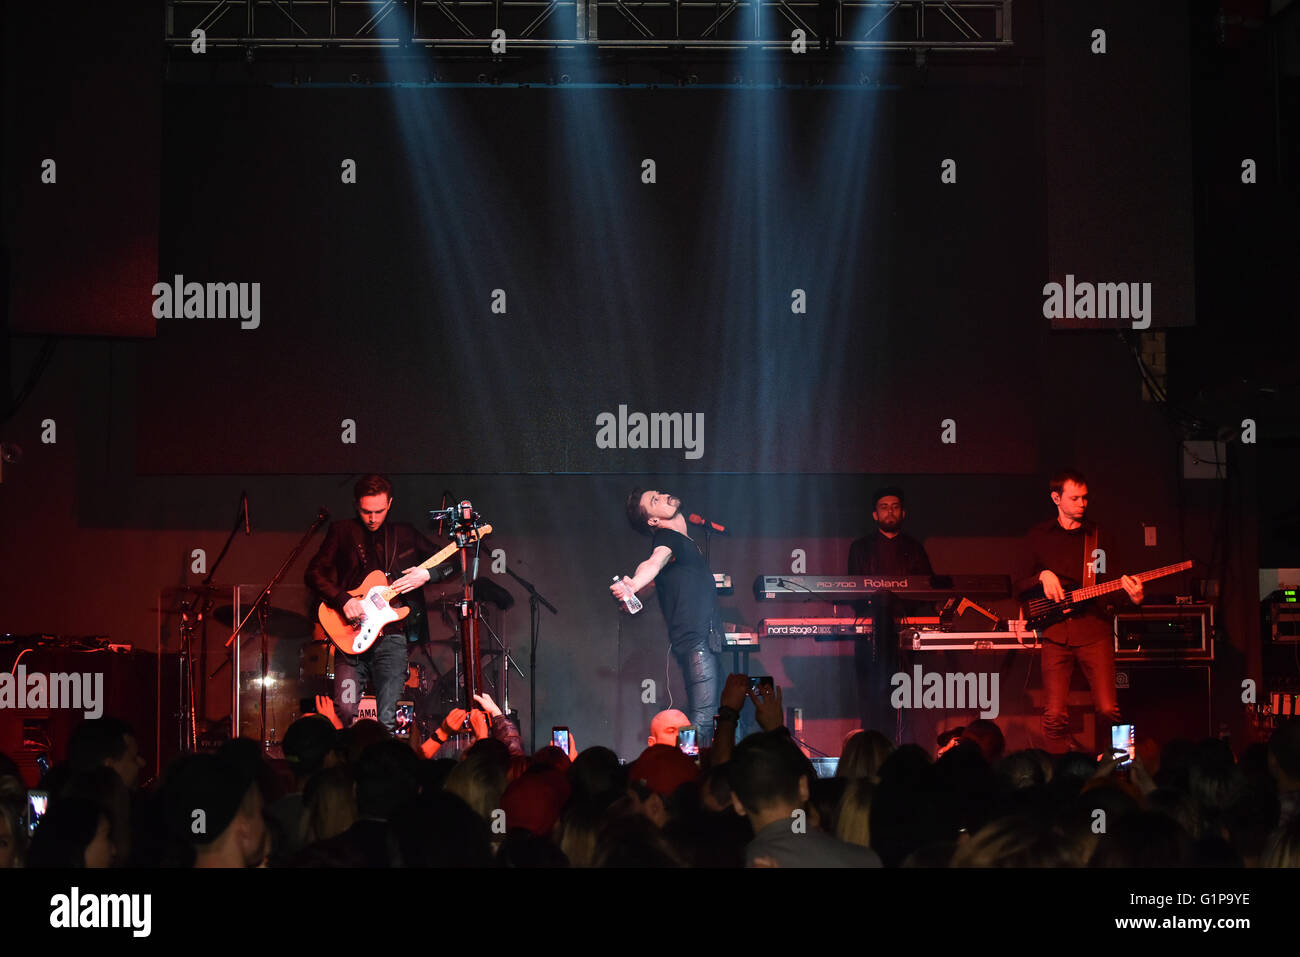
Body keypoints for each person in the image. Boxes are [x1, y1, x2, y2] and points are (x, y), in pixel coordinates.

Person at [306, 473, 456, 731]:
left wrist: (428, 574)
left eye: (378, 511)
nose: (372, 518)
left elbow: (452, 565)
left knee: (388, 716)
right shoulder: (342, 531)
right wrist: (343, 600)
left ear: (390, 504)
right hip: (349, 635)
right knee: (344, 709)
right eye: (366, 511)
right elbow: (314, 573)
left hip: (391, 637)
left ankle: (381, 768)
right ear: (356, 505)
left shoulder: (405, 534)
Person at [1015, 470, 1143, 753]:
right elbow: (1017, 584)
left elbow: (1114, 585)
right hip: (1055, 632)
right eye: (1075, 498)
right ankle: (1061, 774)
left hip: (1094, 630)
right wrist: (1042, 576)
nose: (1083, 503)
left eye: (1085, 498)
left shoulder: (1099, 537)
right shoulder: (1038, 537)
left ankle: (1117, 767)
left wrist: (1132, 596)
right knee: (1054, 715)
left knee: (1109, 709)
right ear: (1056, 498)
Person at [616, 489, 722, 745]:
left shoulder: (682, 542)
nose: (663, 496)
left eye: (660, 493)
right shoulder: (667, 539)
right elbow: (653, 562)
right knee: (704, 720)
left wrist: (639, 591)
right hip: (695, 639)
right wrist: (633, 583)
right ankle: (692, 776)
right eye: (655, 500)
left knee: (705, 715)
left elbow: (656, 579)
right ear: (653, 521)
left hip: (700, 638)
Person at [846, 487, 934, 740]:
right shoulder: (860, 548)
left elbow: (927, 587)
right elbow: (852, 588)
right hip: (870, 634)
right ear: (875, 514)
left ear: (903, 512)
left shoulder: (914, 548)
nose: (890, 512)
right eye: (884, 507)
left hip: (903, 634)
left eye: (895, 506)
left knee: (902, 696)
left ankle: (900, 747)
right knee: (870, 696)